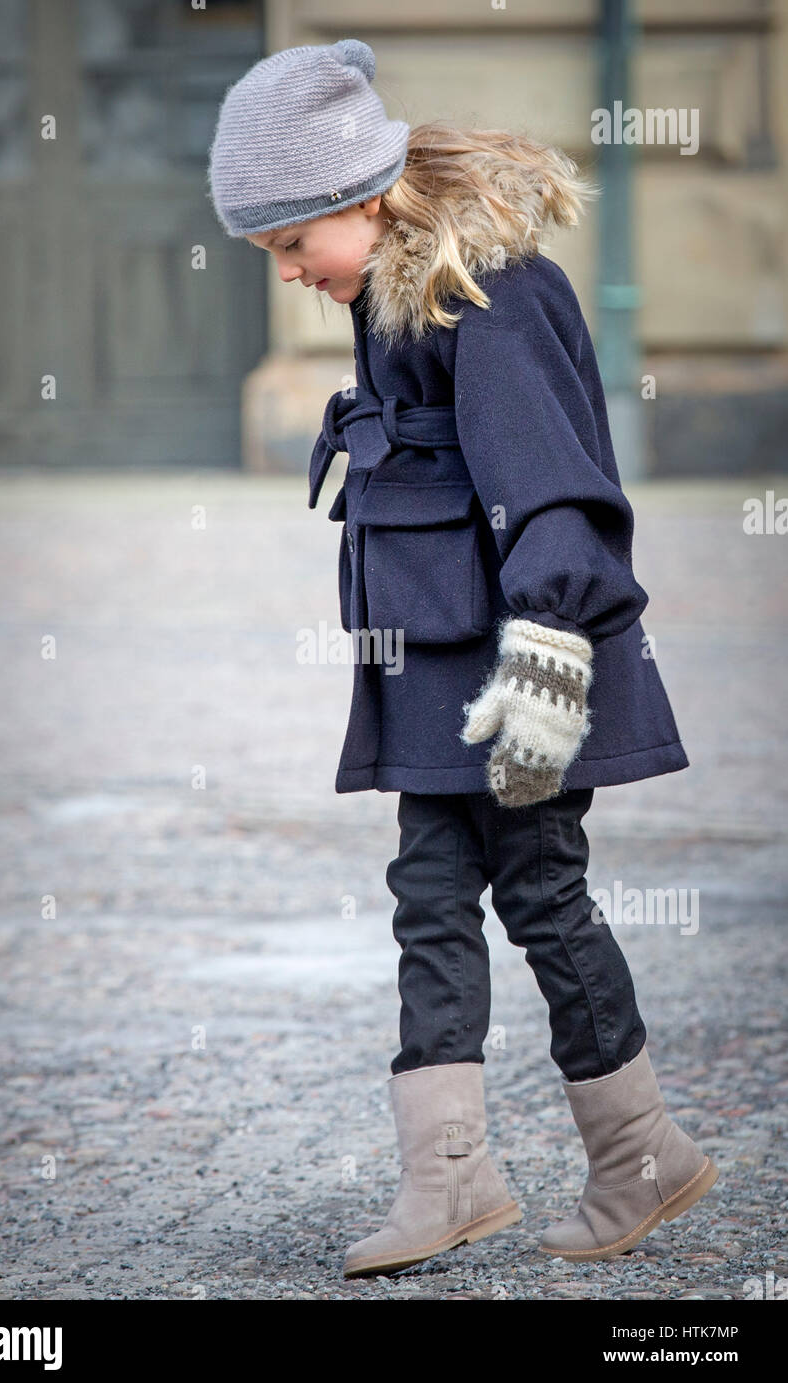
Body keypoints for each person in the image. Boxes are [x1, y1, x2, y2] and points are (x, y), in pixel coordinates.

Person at [207, 37, 719, 1280]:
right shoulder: (390, 296)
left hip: (513, 681)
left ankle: (642, 1152)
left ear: (360, 196)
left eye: (289, 245)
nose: (289, 275)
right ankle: (450, 1175)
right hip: (433, 670)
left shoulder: (494, 288)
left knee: (540, 892)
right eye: (271, 255)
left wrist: (547, 663)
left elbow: (554, 487)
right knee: (428, 898)